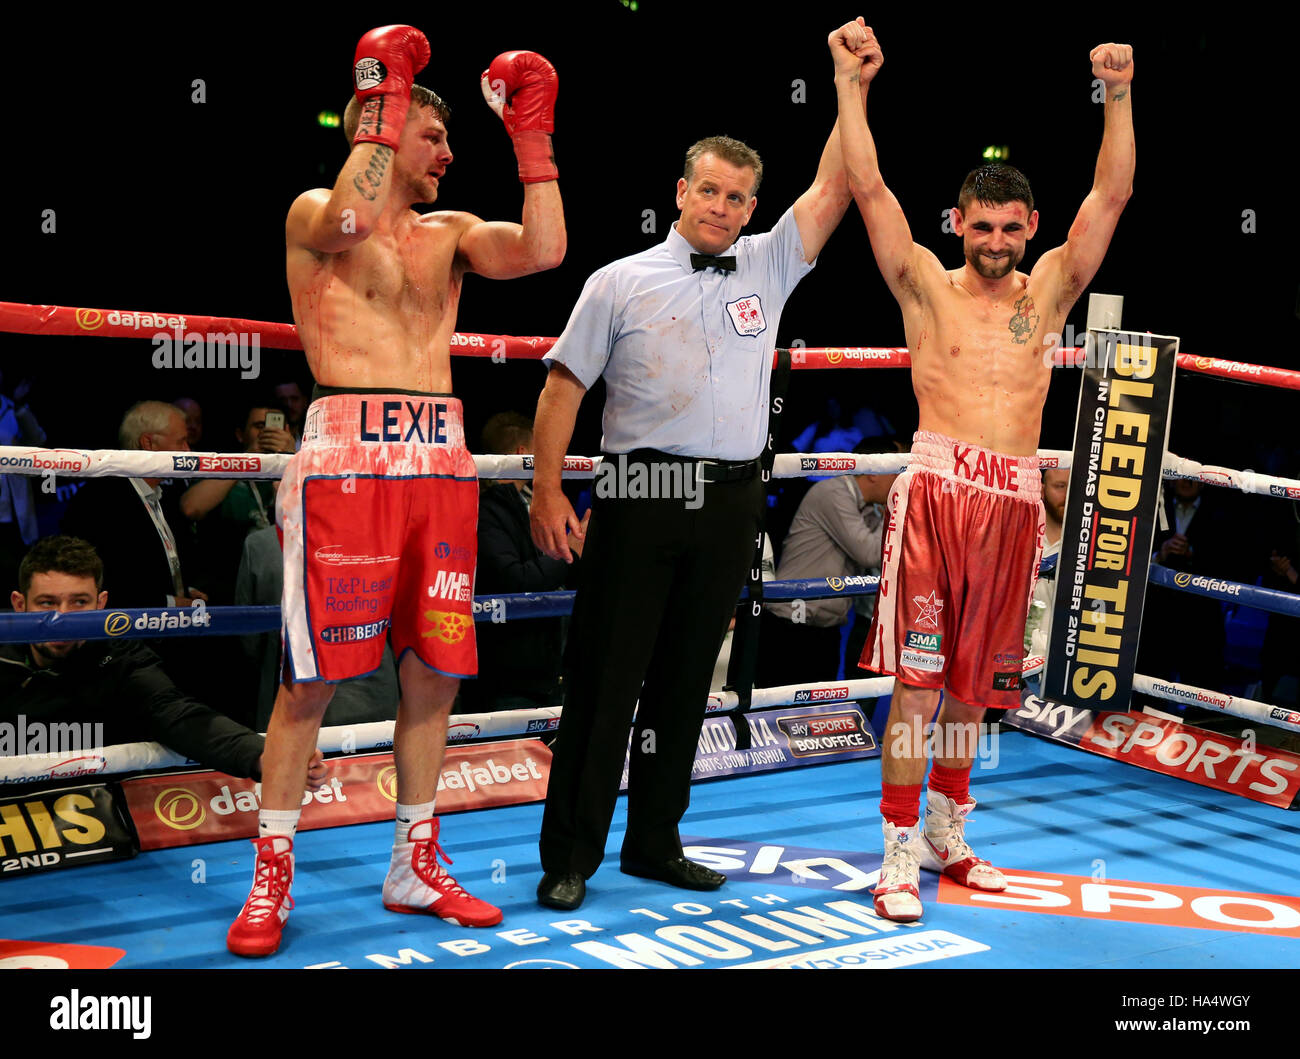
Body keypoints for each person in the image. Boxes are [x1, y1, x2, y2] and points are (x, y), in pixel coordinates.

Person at [225, 25, 565, 958]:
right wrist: (377, 113)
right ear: (384, 129)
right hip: (346, 457)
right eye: (434, 137)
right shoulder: (314, 213)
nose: (450, 155)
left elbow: (543, 251)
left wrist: (530, 137)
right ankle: (271, 873)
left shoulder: (451, 235)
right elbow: (346, 221)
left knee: (434, 673)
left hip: (439, 462)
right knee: (310, 682)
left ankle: (415, 858)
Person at [529, 19, 869, 912]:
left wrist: (849, 80)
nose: (721, 207)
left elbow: (838, 183)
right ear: (680, 191)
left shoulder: (769, 264)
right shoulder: (620, 280)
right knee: (607, 680)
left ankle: (655, 840)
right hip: (641, 489)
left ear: (753, 207)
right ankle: (570, 855)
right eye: (708, 191)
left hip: (732, 496)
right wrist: (547, 490)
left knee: (686, 680)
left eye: (737, 197)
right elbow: (562, 388)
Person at [833, 20, 1134, 921]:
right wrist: (850, 86)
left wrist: (1116, 94)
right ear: (957, 221)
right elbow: (867, 184)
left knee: (976, 688)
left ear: (1030, 227)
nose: (995, 240)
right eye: (981, 225)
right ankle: (893, 849)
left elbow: (1111, 199)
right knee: (920, 685)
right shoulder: (924, 282)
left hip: (1010, 506)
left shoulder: (1049, 291)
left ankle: (946, 829)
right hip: (935, 500)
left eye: (1011, 227)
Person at [2, 537, 327, 788]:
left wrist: (263, 756)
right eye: (47, 603)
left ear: (101, 604)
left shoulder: (119, 657)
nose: (63, 618)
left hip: (98, 814)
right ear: (20, 604)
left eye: (79, 603)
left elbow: (177, 713)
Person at [459, 412, 584, 714]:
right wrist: (571, 549)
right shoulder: (485, 511)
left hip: (546, 675)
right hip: (505, 681)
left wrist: (581, 552)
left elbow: (556, 578)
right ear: (522, 454)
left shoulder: (528, 505)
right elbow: (515, 581)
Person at [760, 436, 899, 688]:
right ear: (874, 473)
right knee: (776, 714)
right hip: (791, 628)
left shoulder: (866, 508)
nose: (899, 483)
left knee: (817, 717)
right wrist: (895, 511)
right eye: (895, 473)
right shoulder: (833, 492)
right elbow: (869, 553)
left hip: (825, 631)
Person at [1024, 466, 1069, 657]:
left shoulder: (1091, 544)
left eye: (1072, 487)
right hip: (1013, 653)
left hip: (1064, 656)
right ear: (1042, 490)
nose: (1068, 494)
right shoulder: (1021, 536)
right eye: (1060, 486)